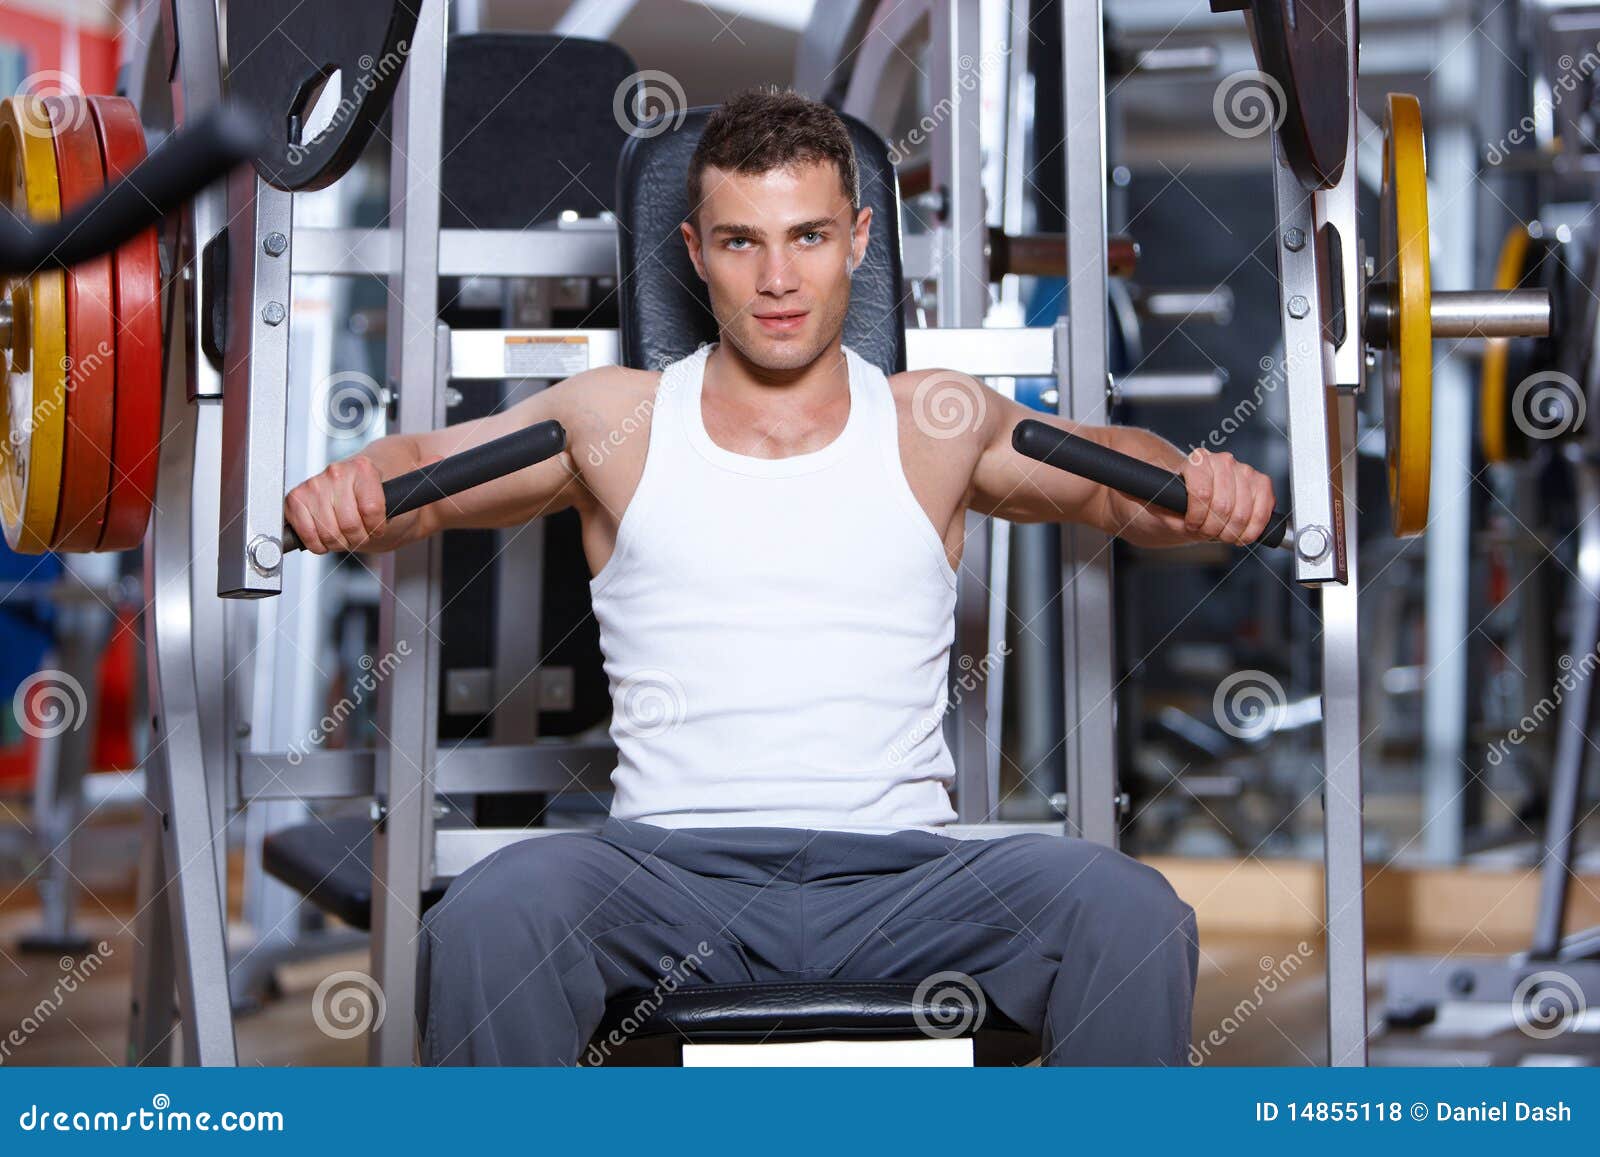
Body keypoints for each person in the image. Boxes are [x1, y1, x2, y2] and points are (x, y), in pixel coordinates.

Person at [285, 87, 1277, 1067]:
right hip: (663, 878)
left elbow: (1121, 486)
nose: (775, 277)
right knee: (490, 914)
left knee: (1129, 909)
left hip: (909, 881)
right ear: (692, 250)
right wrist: (347, 487)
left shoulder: (935, 419)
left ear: (859, 238)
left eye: (806, 236)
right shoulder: (614, 420)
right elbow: (425, 474)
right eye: (739, 241)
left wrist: (1203, 484)